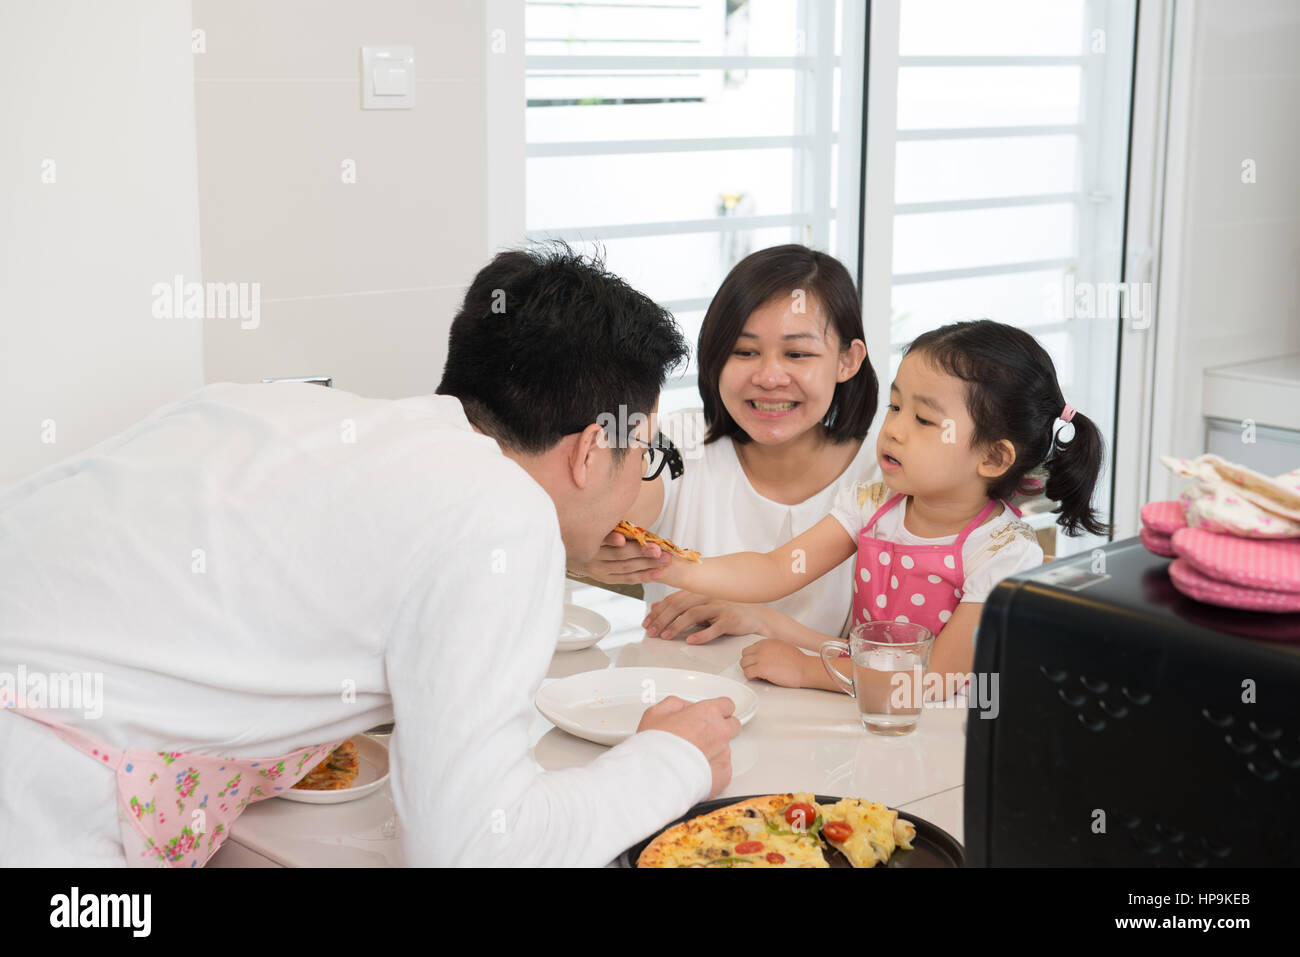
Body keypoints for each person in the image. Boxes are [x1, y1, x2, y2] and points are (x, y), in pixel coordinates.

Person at [0, 244, 739, 867]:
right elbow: (475, 849)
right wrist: (672, 758)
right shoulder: (502, 515)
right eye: (640, 452)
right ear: (589, 450)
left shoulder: (271, 408)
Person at [653, 319, 1108, 692]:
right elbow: (775, 570)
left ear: (992, 457)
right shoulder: (873, 504)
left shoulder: (1001, 551)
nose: (893, 430)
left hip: (943, 739)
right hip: (868, 710)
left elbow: (932, 680)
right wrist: (667, 566)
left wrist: (810, 670)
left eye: (924, 419)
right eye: (894, 406)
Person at [567, 245, 882, 667]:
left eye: (797, 354)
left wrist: (757, 618)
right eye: (745, 352)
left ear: (847, 360)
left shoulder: (886, 475)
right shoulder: (678, 441)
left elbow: (903, 658)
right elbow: (615, 505)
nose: (769, 377)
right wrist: (592, 546)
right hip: (675, 712)